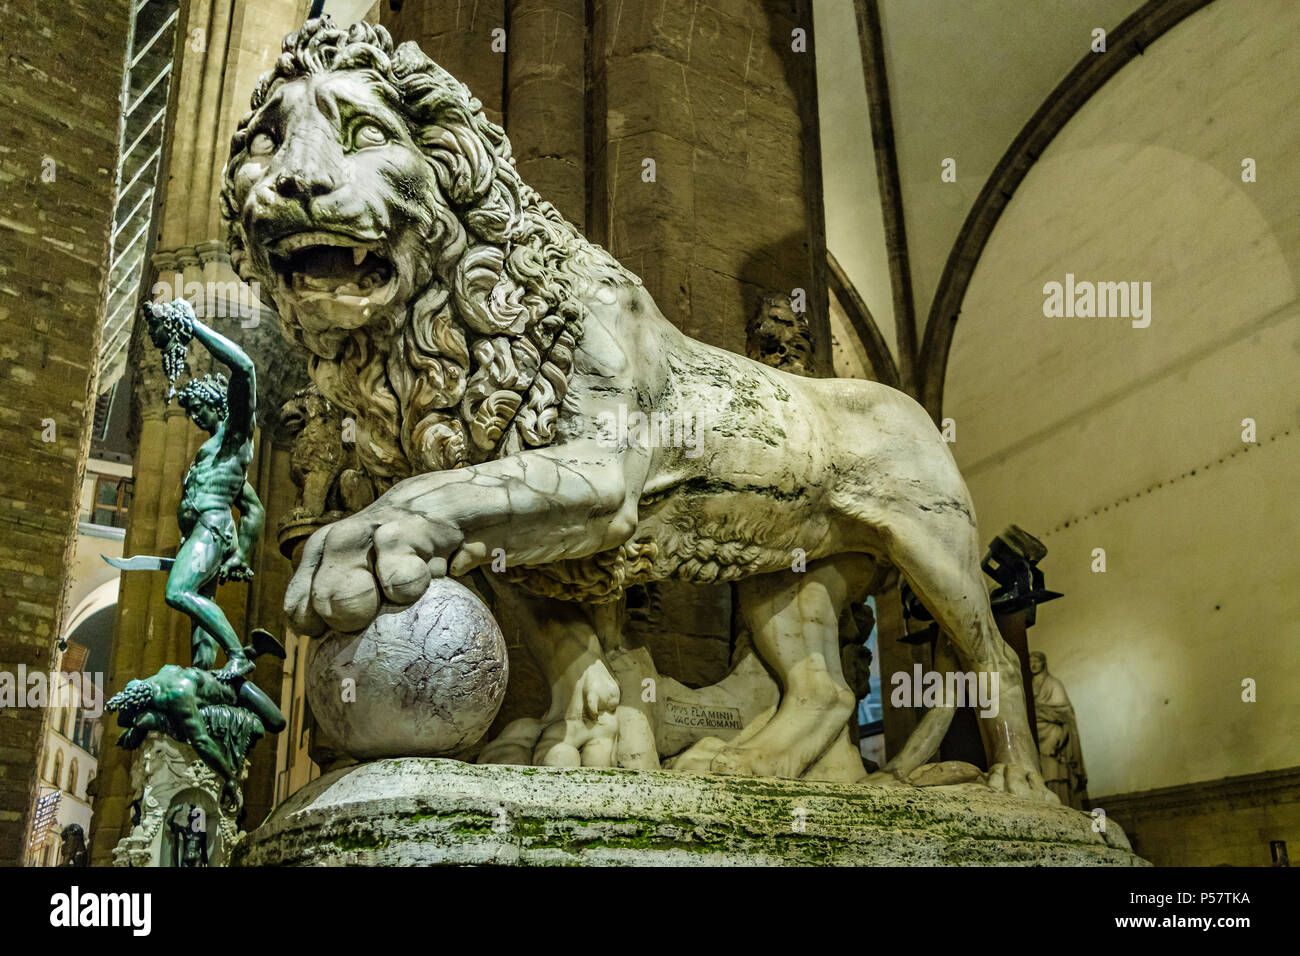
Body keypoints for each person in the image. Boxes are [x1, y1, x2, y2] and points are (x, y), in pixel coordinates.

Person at [144, 299, 264, 679]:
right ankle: (204, 676)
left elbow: (244, 367)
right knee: (200, 615)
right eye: (192, 412)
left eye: (200, 410)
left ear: (219, 403)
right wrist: (242, 551)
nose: (196, 418)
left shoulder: (235, 437)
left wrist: (193, 326)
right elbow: (253, 507)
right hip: (205, 531)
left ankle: (238, 654)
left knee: (178, 592)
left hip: (211, 528)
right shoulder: (216, 453)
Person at [1030, 651, 1088, 808]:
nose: (1033, 665)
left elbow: (1064, 712)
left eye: (1036, 661)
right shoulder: (1027, 686)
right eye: (1031, 661)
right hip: (1035, 735)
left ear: (1043, 663)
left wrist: (1039, 711)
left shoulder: (1053, 684)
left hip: (1052, 734)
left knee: (1055, 772)